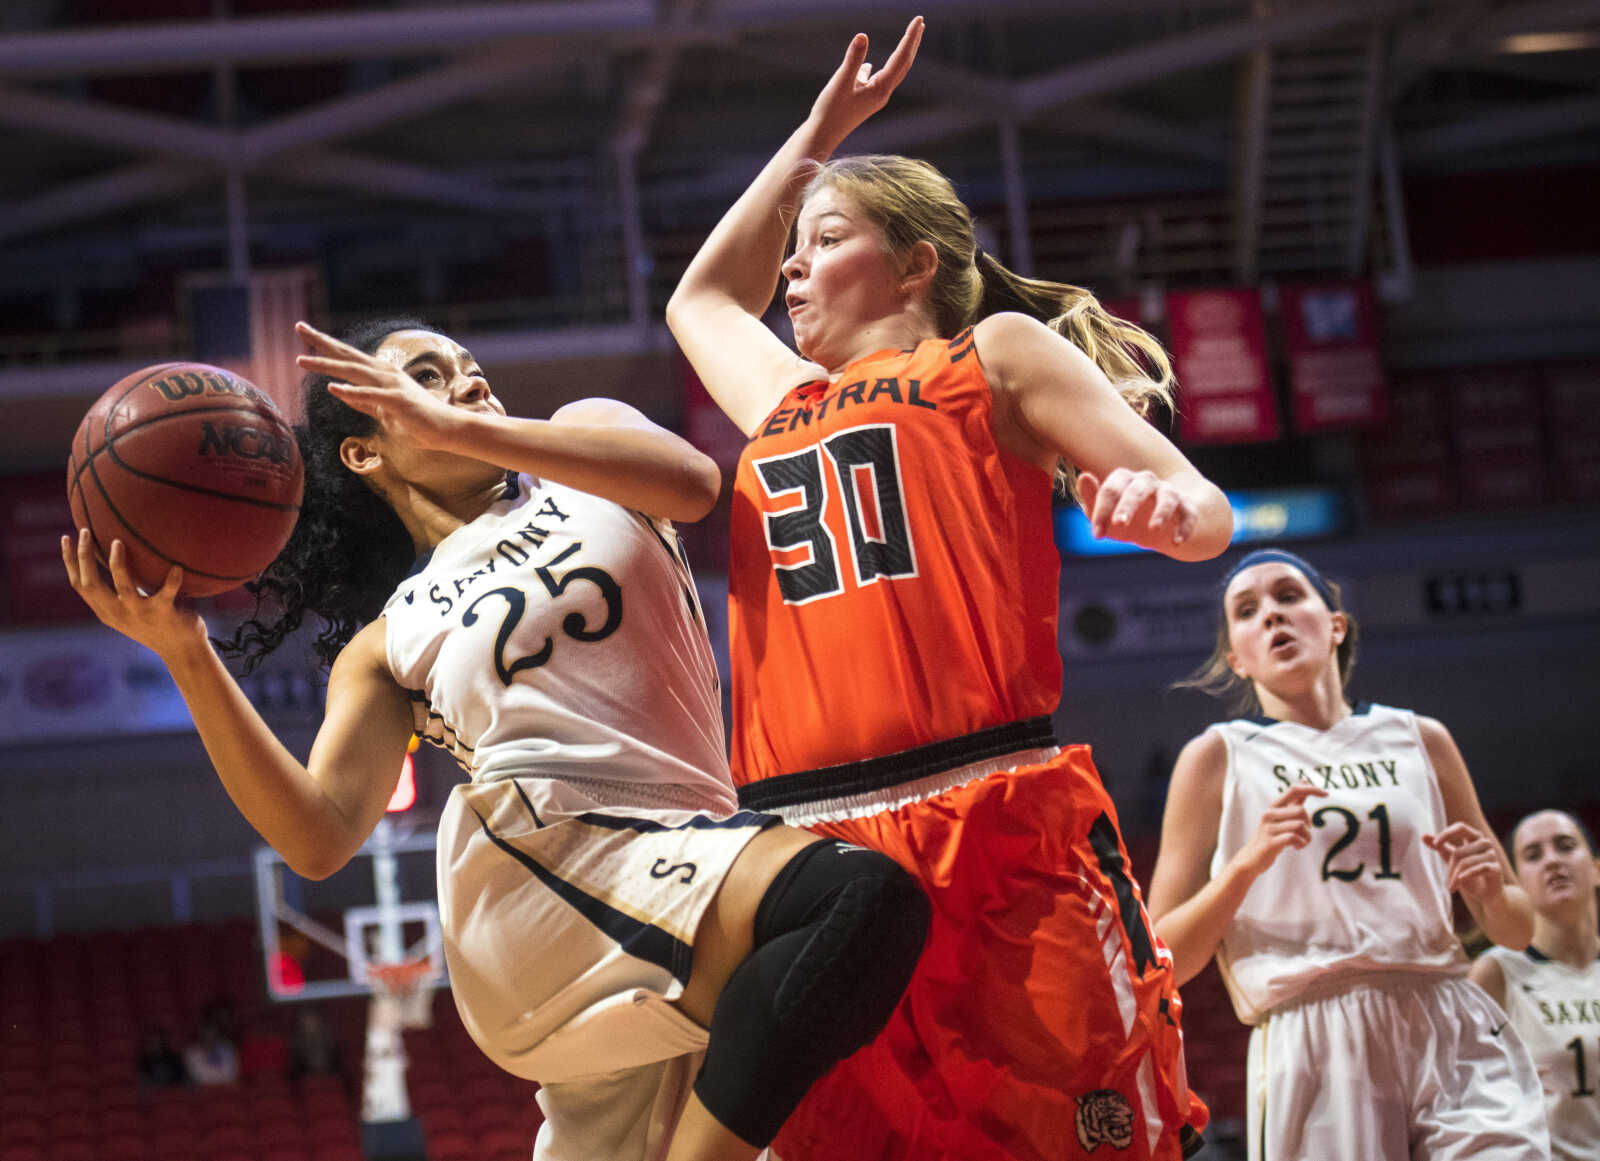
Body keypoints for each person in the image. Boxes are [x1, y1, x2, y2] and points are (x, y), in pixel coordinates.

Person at [63, 317, 930, 1161]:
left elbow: (693, 480)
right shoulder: (389, 637)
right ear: (364, 453)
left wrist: (466, 424)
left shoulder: (582, 447)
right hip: (546, 875)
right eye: (427, 377)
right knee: (857, 903)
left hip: (686, 857)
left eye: (468, 366)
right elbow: (316, 835)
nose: (468, 382)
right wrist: (185, 653)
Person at [666, 19, 1228, 1161]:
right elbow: (696, 299)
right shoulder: (776, 400)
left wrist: (1169, 517)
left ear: (915, 263)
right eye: (796, 243)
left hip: (993, 811)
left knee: (1097, 1138)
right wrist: (822, 138)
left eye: (825, 241)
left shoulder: (993, 358)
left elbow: (1204, 509)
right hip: (810, 846)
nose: (790, 266)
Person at [1145, 547, 1549, 1161]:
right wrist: (1246, 865)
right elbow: (1163, 957)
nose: (1272, 617)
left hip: (1445, 1009)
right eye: (1247, 612)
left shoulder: (1422, 738)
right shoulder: (1218, 757)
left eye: (1289, 597)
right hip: (1314, 1031)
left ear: (1335, 624)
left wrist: (1491, 891)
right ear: (1238, 660)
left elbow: (1518, 930)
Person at [1473, 809, 1600, 1160]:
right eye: (1533, 855)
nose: (1552, 861)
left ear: (1596, 868)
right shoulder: (1495, 972)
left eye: (1565, 846)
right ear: (1517, 883)